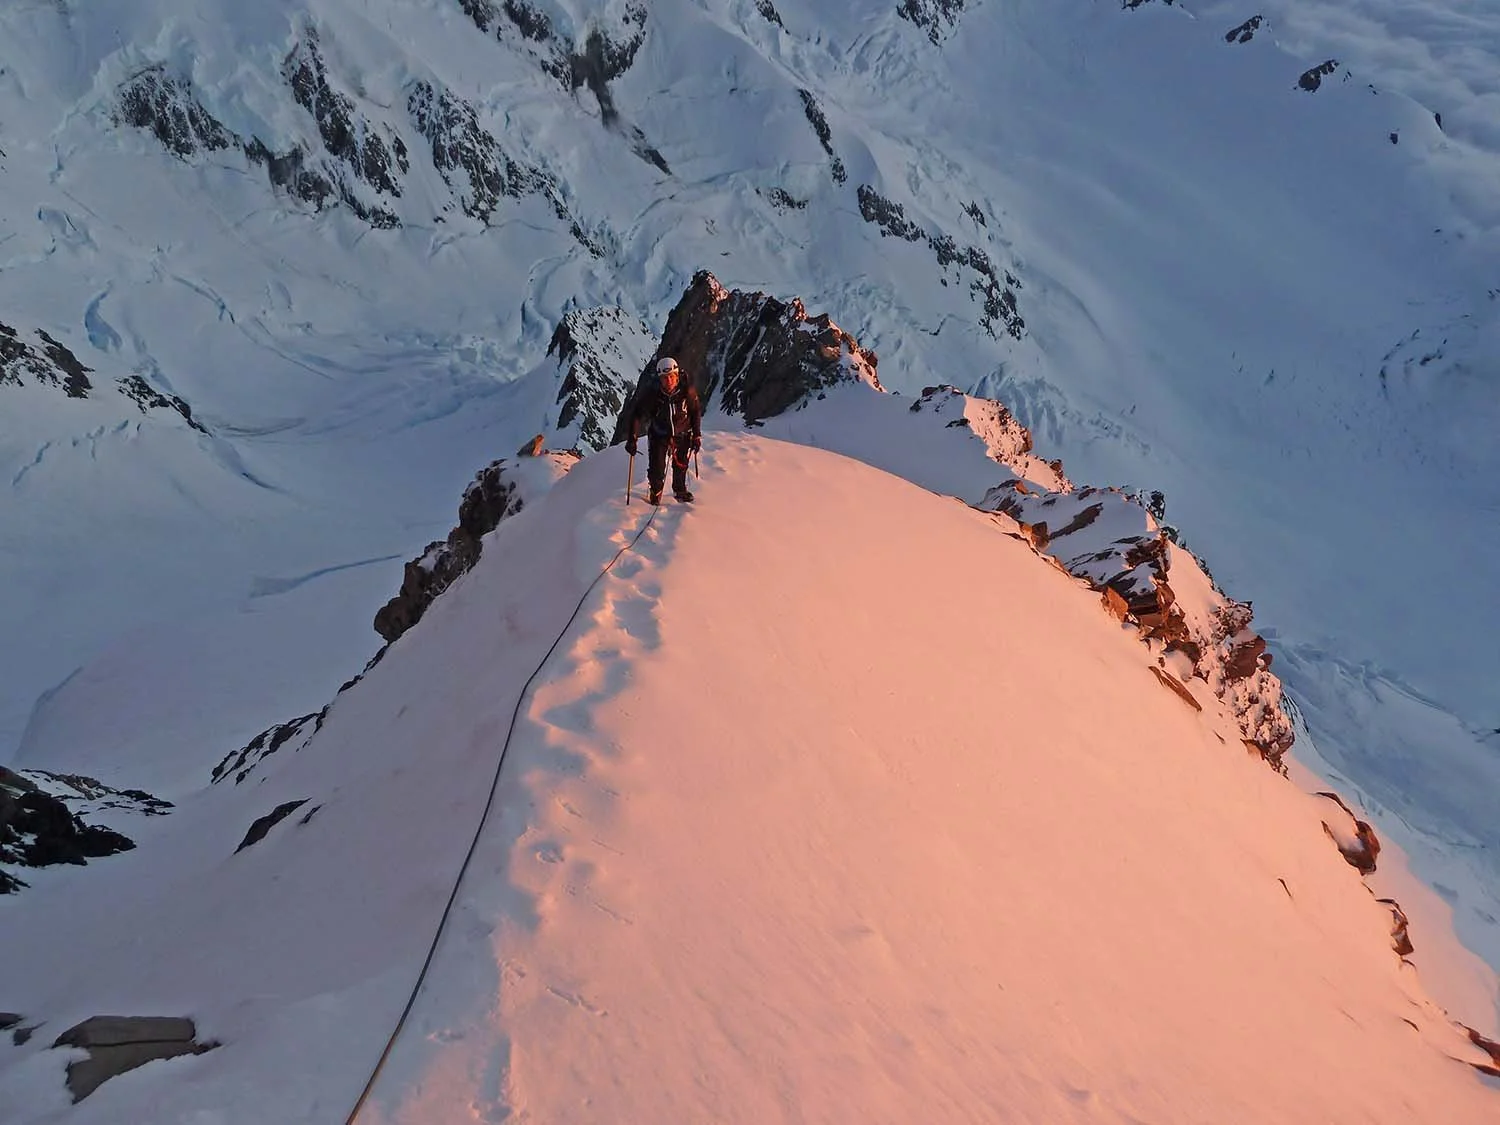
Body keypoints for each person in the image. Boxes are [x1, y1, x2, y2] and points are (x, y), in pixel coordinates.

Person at [627, 356, 702, 504]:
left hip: (682, 433)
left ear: (677, 375)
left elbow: (695, 411)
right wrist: (632, 437)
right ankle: (656, 490)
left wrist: (697, 435)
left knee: (681, 465)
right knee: (657, 468)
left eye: (671, 377)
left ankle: (679, 490)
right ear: (660, 379)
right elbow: (637, 414)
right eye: (664, 378)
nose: (669, 381)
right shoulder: (653, 394)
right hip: (659, 434)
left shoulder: (687, 390)